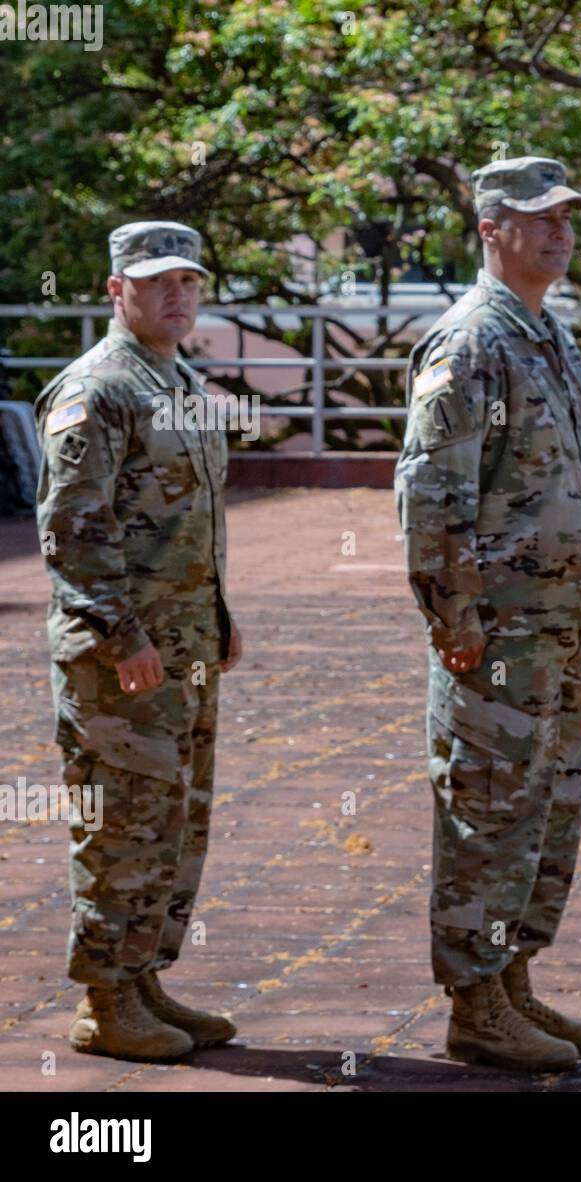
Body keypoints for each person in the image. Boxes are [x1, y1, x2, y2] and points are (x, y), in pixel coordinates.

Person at [395, 157, 581, 1073]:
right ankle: (475, 1004)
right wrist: (456, 619)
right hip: (496, 633)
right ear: (490, 229)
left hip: (553, 628)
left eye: (566, 217)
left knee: (545, 810)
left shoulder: (544, 332)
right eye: (537, 218)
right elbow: (431, 495)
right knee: (488, 812)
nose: (558, 231)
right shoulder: (471, 340)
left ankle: (512, 977)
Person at [34, 221, 242, 1061]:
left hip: (183, 644)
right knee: (121, 823)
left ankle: (146, 978)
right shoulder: (99, 388)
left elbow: (192, 521)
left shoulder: (178, 377)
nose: (176, 295)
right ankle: (105, 1001)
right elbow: (74, 530)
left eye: (188, 281)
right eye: (157, 282)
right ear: (117, 288)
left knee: (175, 821)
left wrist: (219, 621)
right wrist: (122, 636)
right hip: (122, 656)